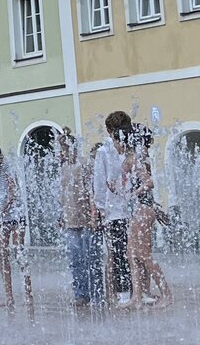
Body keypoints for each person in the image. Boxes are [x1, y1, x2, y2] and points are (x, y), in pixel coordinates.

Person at [0, 143, 32, 315]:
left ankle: (27, 293)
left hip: (15, 216)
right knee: (2, 255)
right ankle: (8, 296)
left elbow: (12, 192)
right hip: (0, 218)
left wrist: (0, 211)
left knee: (19, 252)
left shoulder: (8, 169)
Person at [92, 112, 134, 306]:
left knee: (128, 252)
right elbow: (100, 182)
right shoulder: (108, 151)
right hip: (120, 210)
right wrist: (100, 208)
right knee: (124, 252)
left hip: (124, 210)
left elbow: (100, 182)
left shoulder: (124, 149)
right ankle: (127, 291)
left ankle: (132, 291)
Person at [126, 131, 171, 307]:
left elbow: (149, 183)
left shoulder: (135, 158)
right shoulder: (140, 157)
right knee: (132, 254)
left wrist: (132, 194)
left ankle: (167, 294)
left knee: (144, 255)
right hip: (141, 210)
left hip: (143, 210)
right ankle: (137, 296)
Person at [58, 132, 101, 310]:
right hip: (70, 220)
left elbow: (92, 190)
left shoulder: (84, 165)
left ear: (70, 147)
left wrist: (93, 214)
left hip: (85, 220)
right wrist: (60, 215)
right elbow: (62, 194)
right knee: (75, 260)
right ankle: (80, 294)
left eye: (62, 149)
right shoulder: (63, 167)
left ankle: (97, 294)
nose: (60, 152)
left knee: (91, 258)